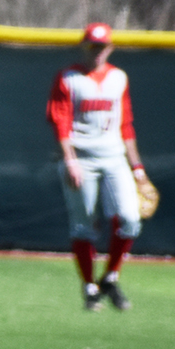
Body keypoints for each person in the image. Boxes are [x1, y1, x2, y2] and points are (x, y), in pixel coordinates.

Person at [50, 22, 148, 312]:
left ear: (110, 48)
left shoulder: (119, 78)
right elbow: (61, 123)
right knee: (84, 226)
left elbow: (126, 125)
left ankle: (111, 277)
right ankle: (90, 287)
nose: (96, 51)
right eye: (92, 45)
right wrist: (69, 160)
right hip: (82, 158)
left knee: (130, 219)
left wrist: (137, 167)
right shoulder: (68, 78)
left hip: (115, 157)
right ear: (84, 47)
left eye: (102, 46)